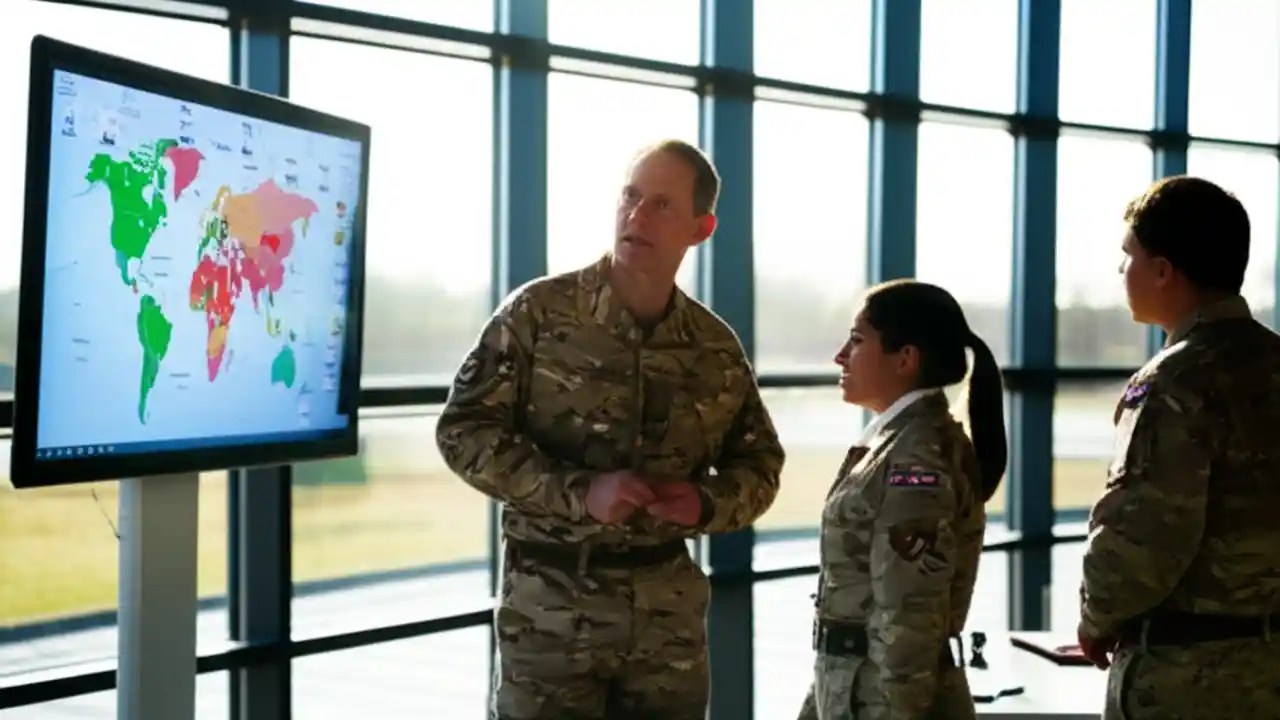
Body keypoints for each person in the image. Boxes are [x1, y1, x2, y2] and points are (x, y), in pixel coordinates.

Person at [435, 138, 786, 720]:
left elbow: (761, 468)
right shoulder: (539, 314)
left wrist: (704, 503)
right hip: (549, 613)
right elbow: (463, 432)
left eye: (661, 205)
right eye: (630, 196)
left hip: (665, 622)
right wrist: (580, 492)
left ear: (701, 228)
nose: (637, 215)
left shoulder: (713, 348)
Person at [1077, 175, 1280, 719]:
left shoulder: (1174, 381)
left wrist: (1096, 618)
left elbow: (1144, 533)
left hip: (1189, 677)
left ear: (1164, 271)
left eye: (1129, 257)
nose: (1121, 271)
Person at [798, 279, 1006, 720]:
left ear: (905, 359)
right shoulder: (900, 442)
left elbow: (910, 614)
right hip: (853, 685)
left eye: (856, 341)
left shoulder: (917, 456)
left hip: (883, 697)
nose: (840, 356)